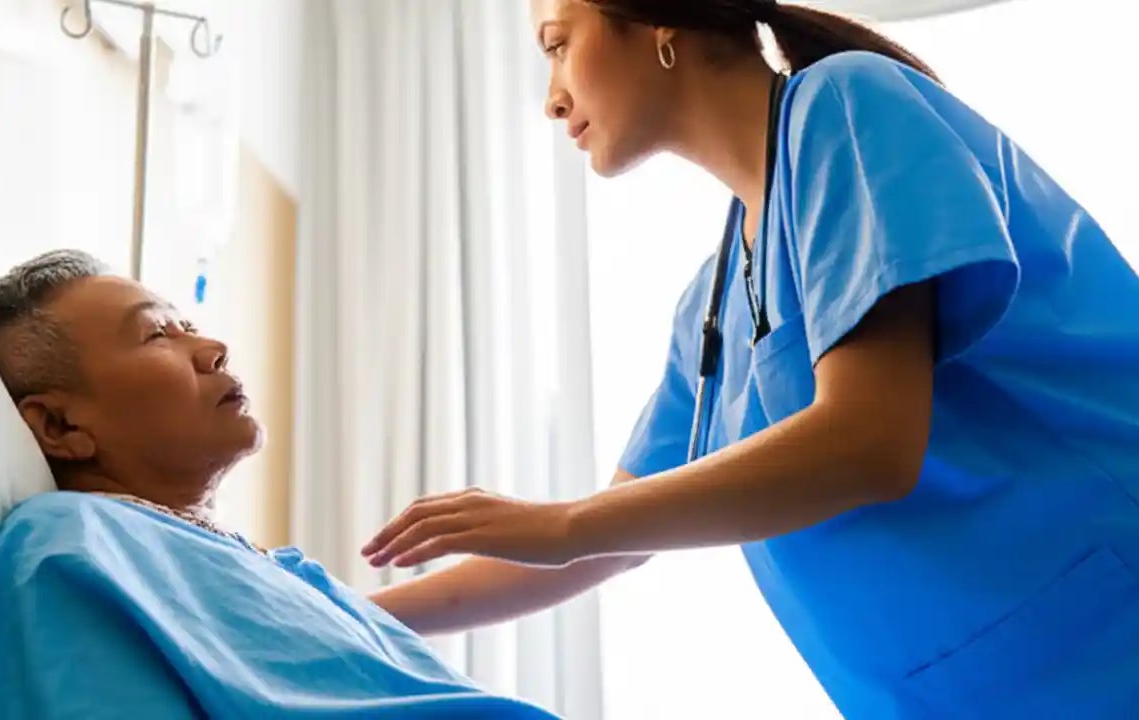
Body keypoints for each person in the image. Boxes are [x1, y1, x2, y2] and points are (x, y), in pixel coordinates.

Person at [364, 1, 1139, 717]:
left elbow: (871, 443)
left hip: (1104, 644)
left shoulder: (845, 105)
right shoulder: (713, 305)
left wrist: (563, 523)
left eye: (560, 46)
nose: (553, 98)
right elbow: (607, 544)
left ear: (659, 18)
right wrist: (335, 611)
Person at [0, 251, 558, 719]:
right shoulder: (68, 546)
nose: (213, 348)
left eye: (189, 325)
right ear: (60, 425)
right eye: (158, 334)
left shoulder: (285, 574)